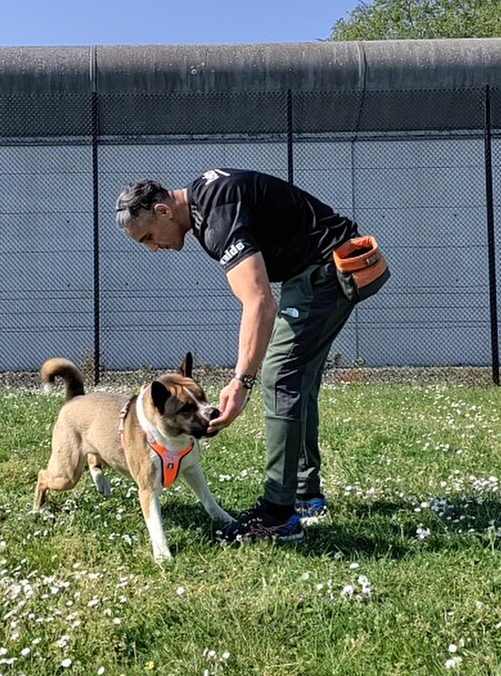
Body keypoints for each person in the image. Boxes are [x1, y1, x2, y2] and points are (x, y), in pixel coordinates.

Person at [115, 167, 388, 544]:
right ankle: (305, 495)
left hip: (328, 270)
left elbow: (259, 301)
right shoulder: (206, 198)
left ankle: (278, 515)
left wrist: (240, 382)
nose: (153, 248)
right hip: (324, 267)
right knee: (297, 379)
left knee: (278, 377)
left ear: (163, 210)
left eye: (148, 237)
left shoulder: (215, 218)